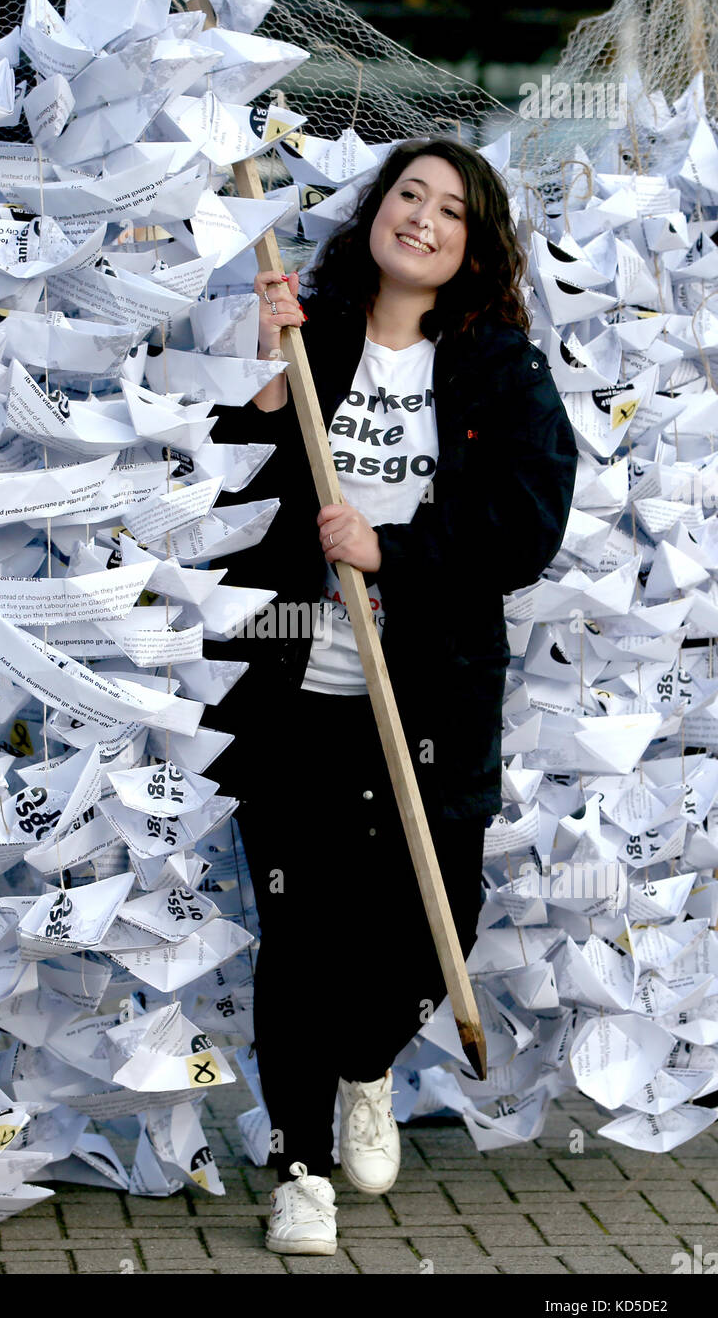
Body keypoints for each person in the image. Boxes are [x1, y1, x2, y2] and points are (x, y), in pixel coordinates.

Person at [204, 137, 578, 1255]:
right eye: (406, 194)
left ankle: (368, 1062)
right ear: (375, 210)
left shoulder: (498, 367)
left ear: (473, 248)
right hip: (294, 691)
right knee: (300, 933)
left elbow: (526, 522)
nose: (419, 217)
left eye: (449, 210)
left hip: (431, 700)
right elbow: (223, 487)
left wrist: (392, 547)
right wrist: (267, 380)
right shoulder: (307, 328)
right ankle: (300, 1168)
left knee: (432, 927)